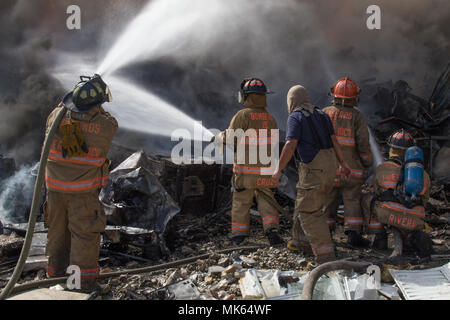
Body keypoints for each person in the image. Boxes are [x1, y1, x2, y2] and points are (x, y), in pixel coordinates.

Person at [44, 74, 118, 292]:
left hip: (54, 190)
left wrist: (68, 106)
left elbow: (59, 110)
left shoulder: (55, 116)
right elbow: (109, 120)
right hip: (83, 193)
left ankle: (54, 281)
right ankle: (81, 285)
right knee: (84, 236)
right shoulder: (105, 125)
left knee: (57, 233)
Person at [272, 85, 351, 264]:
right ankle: (299, 241)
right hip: (329, 166)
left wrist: (277, 171)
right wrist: (343, 164)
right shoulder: (322, 114)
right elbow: (334, 141)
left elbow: (291, 144)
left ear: (291, 100)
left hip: (313, 169)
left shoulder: (295, 117)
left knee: (309, 211)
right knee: (305, 201)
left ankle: (325, 255)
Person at [217, 78, 283, 246]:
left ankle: (239, 235)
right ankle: (272, 231)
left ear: (246, 96)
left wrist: (220, 137)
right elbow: (274, 146)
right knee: (267, 201)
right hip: (266, 171)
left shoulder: (242, 115)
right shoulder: (271, 119)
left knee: (241, 201)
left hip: (245, 172)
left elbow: (231, 140)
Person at [361, 129, 433, 257]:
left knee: (367, 199)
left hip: (388, 215)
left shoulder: (383, 168)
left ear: (392, 149)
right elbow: (425, 199)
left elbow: (377, 191)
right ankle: (408, 239)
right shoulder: (423, 174)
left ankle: (380, 236)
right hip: (414, 219)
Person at [323, 77, 373, 247]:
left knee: (328, 201)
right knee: (352, 200)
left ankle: (326, 234)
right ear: (354, 98)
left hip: (328, 169)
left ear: (334, 95)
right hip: (351, 171)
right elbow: (363, 144)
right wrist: (367, 161)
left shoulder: (324, 113)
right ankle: (353, 235)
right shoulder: (357, 117)